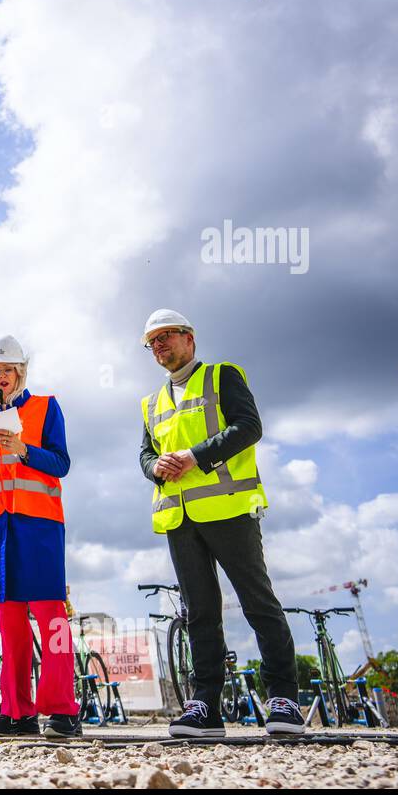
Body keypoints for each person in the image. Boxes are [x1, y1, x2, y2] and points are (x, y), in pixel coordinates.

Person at [138, 309, 303, 737]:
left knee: (257, 601)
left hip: (229, 507)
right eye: (152, 342)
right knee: (200, 613)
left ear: (189, 338)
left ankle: (283, 698)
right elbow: (145, 455)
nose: (159, 346)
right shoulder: (151, 403)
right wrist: (157, 466)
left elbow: (249, 427)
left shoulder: (222, 376)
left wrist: (194, 457)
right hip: (180, 516)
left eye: (166, 337)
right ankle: (205, 705)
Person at [0, 335, 79, 739]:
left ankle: (63, 711)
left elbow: (62, 463)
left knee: (53, 622)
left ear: (21, 372)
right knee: (11, 625)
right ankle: (17, 713)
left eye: (6, 371)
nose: (0, 377)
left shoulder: (47, 407)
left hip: (39, 525)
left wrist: (25, 449)